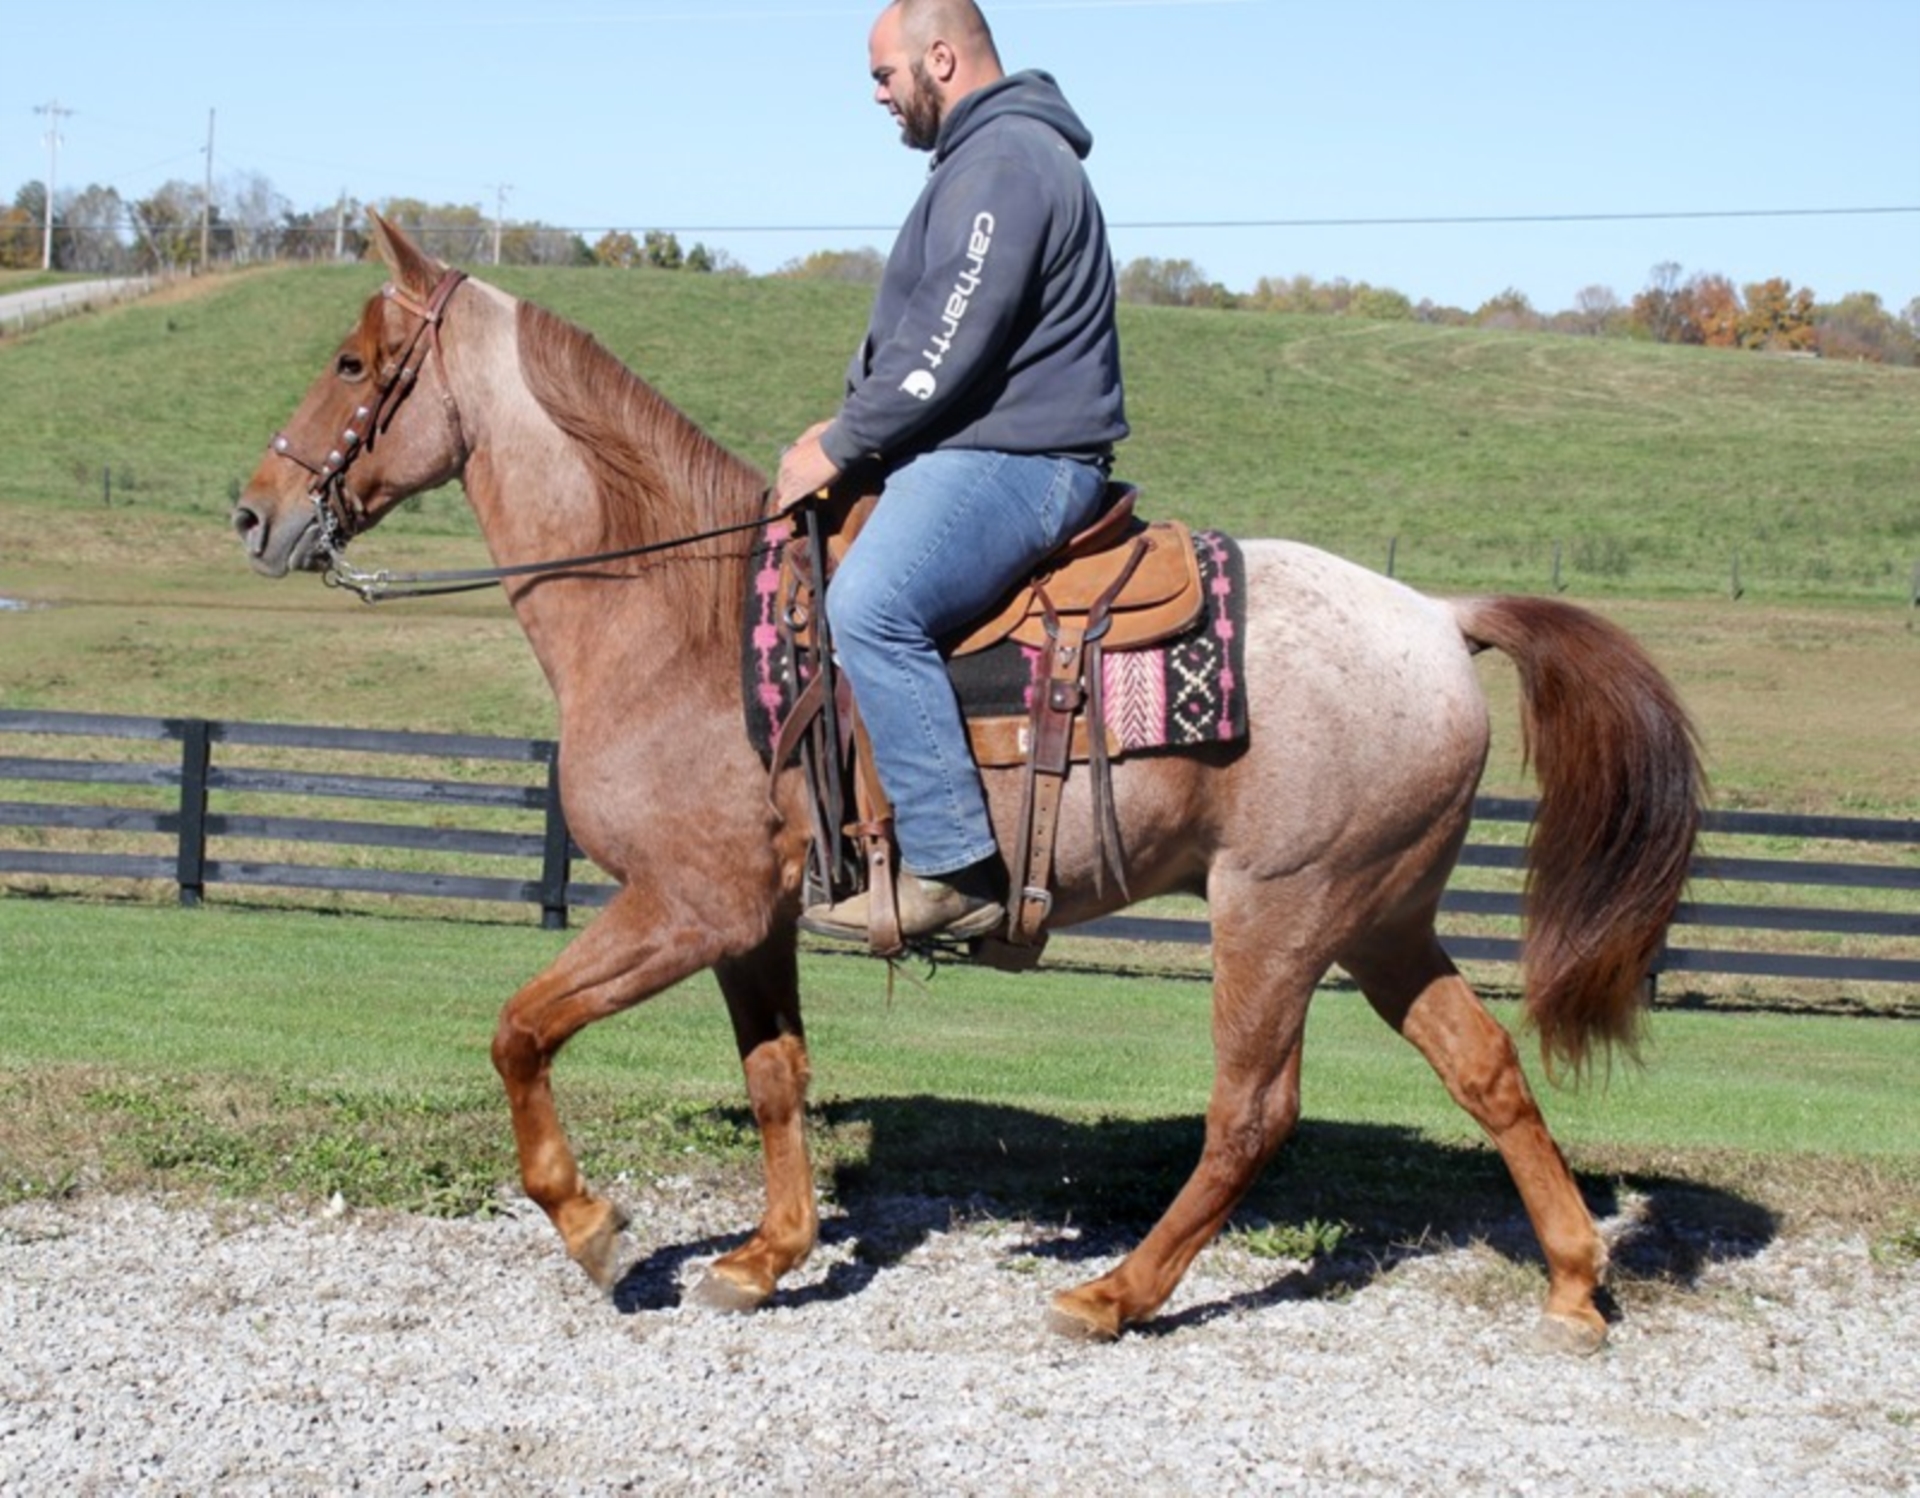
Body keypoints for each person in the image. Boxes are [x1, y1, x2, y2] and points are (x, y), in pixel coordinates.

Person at [775, 0, 1128, 943]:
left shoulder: (1006, 162)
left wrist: (843, 443)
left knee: (870, 605)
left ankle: (953, 866)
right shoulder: (989, 159)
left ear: (940, 59)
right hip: (982, 448)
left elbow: (948, 339)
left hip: (1019, 458)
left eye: (885, 77)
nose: (881, 98)